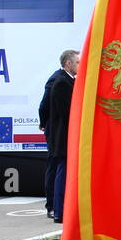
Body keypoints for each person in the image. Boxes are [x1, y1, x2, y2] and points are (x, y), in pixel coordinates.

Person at [38, 49, 78, 223]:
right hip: (60, 136)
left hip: (60, 134)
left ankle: (58, 208)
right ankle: (56, 208)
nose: (80, 65)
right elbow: (62, 112)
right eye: (77, 62)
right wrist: (44, 123)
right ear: (68, 63)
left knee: (60, 169)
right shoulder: (60, 81)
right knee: (58, 169)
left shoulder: (67, 80)